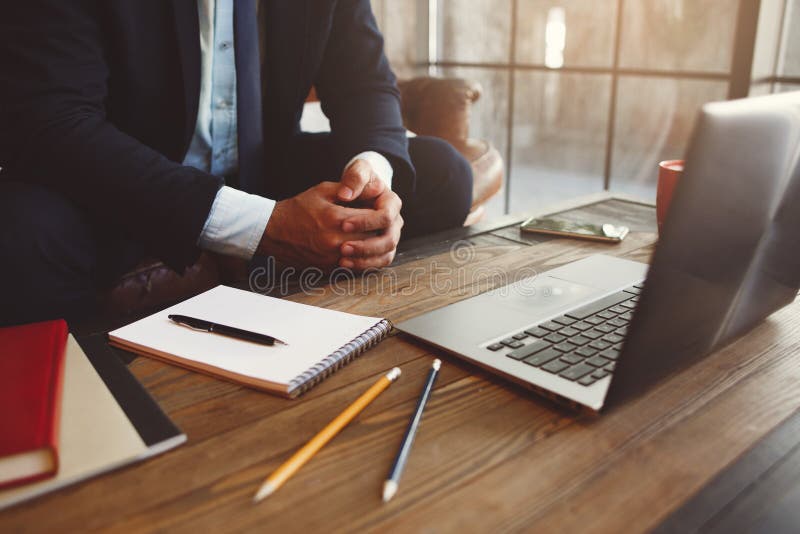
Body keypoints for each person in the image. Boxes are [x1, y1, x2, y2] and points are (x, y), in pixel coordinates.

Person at [0, 1, 473, 326]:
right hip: (127, 186)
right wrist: (261, 226)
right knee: (18, 239)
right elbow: (55, 120)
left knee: (444, 174)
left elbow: (365, 82)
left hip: (260, 166)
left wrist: (371, 178)